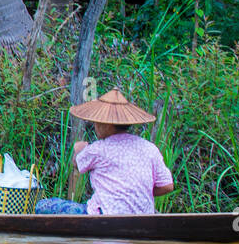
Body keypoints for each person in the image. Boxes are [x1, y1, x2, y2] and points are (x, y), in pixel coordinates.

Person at [34, 89, 174, 215]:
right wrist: (135, 195)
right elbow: (167, 186)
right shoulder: (149, 148)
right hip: (143, 216)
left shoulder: (98, 149)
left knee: (43, 205)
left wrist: (79, 149)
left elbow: (77, 164)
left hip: (106, 214)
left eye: (96, 123)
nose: (95, 127)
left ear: (105, 124)